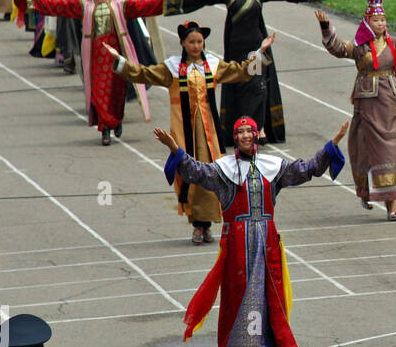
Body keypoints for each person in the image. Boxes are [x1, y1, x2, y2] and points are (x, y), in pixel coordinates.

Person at [158, 118, 349, 347]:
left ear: (258, 135)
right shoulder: (224, 170)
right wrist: (176, 150)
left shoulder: (274, 167)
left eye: (251, 131)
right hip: (238, 246)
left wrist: (332, 146)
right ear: (235, 138)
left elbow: (307, 170)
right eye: (241, 132)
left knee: (268, 300)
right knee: (244, 301)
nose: (247, 135)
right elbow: (196, 172)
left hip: (267, 243)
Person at [106, 23, 276, 244]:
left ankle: (205, 224)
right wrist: (120, 61)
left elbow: (242, 72)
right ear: (183, 43)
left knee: (212, 172)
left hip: (209, 131)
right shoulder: (172, 69)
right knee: (188, 174)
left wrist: (260, 51)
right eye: (192, 42)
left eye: (199, 42)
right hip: (183, 132)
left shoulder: (213, 65)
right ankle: (197, 224)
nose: (196, 46)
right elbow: (144, 74)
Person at [166, 0, 329, 145]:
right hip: (236, 51)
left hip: (256, 50)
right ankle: (240, 128)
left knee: (258, 89)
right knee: (239, 89)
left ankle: (259, 128)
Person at [316, 0, 396, 220]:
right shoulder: (360, 47)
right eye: (376, 21)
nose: (381, 24)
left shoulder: (394, 44)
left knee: (391, 153)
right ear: (367, 23)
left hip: (391, 107)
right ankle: (366, 194)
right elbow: (338, 49)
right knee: (366, 152)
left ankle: (392, 207)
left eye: (383, 20)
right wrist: (327, 29)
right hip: (367, 105)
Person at [24, 0, 164, 144]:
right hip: (95, 55)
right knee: (98, 91)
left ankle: (116, 119)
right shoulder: (85, 5)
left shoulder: (120, 3)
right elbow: (59, 7)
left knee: (117, 91)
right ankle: (105, 129)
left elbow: (146, 7)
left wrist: (165, 0)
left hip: (116, 53)